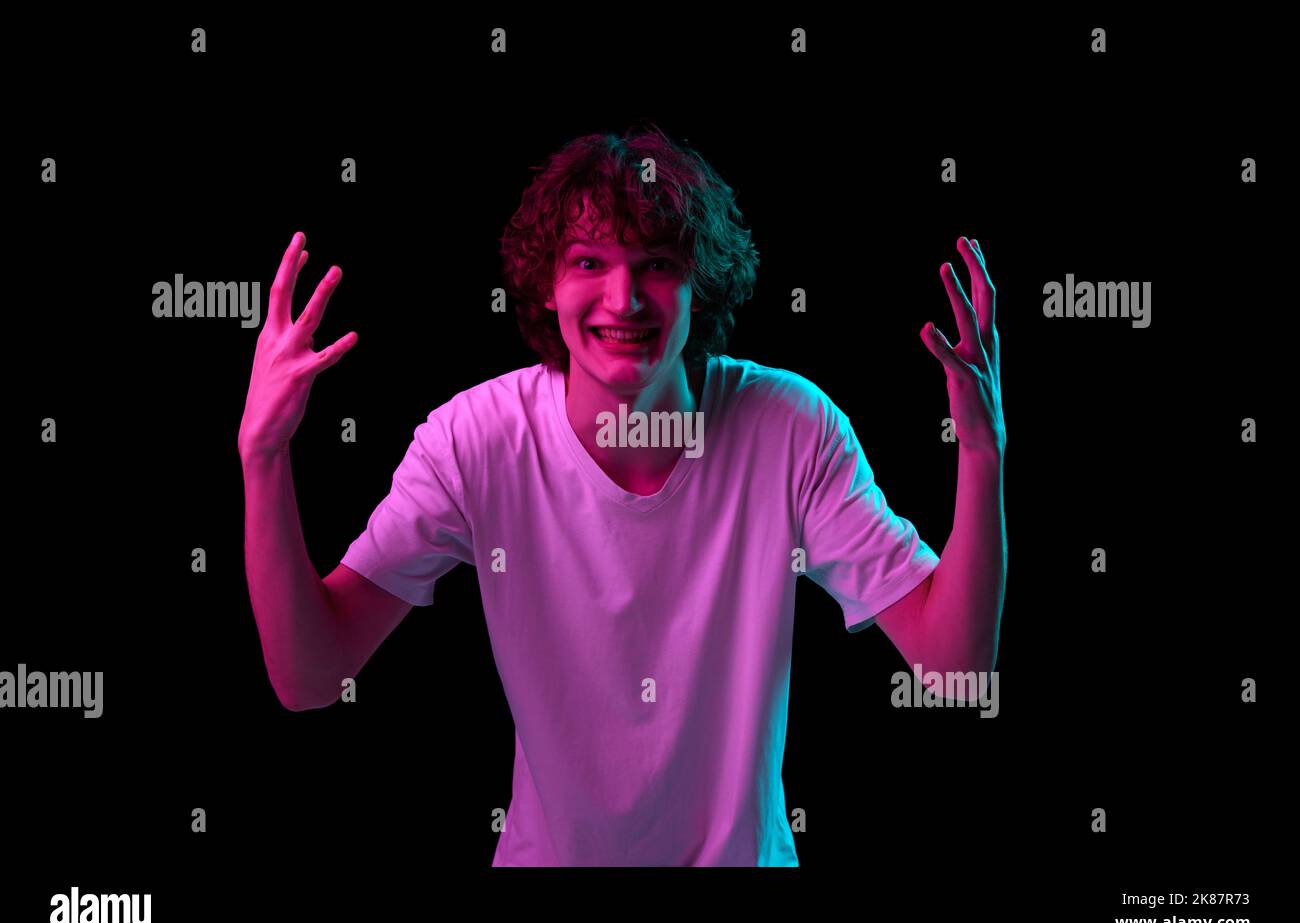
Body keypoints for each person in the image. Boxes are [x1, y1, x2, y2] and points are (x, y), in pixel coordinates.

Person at [238, 125, 1007, 866]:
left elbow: (953, 665)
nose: (624, 298)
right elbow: (310, 677)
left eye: (657, 264)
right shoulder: (474, 441)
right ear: (546, 282)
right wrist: (263, 457)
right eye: (588, 262)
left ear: (698, 283)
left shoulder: (790, 427)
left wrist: (980, 450)